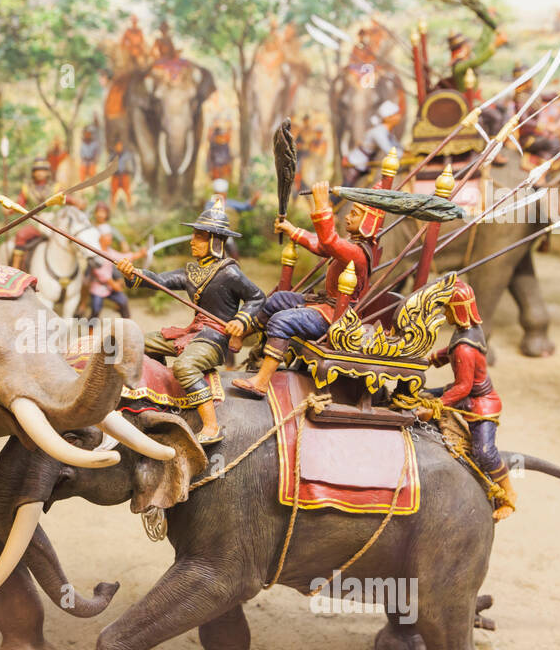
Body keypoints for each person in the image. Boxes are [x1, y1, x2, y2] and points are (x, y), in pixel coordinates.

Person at [116, 195, 263, 445]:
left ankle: (211, 425)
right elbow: (160, 280)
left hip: (214, 339)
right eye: (194, 235)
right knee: (137, 342)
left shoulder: (229, 272)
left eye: (199, 237)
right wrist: (134, 274)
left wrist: (241, 320)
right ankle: (155, 396)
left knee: (185, 367)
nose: (193, 242)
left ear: (215, 242)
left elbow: (258, 297)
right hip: (192, 332)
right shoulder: (191, 271)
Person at [230, 180, 382, 397]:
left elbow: (329, 242)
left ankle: (261, 381)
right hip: (325, 305)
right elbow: (322, 246)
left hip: (335, 317)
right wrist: (293, 230)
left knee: (282, 320)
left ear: (368, 221)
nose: (348, 216)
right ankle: (242, 334)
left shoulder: (358, 253)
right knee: (278, 299)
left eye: (355, 214)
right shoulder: (352, 245)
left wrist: (322, 206)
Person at [425, 278, 516, 521]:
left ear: (458, 309)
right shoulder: (466, 333)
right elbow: (453, 349)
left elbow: (463, 387)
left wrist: (437, 407)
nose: (445, 313)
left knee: (484, 452)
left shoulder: (466, 344)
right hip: (463, 393)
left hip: (480, 404)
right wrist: (434, 357)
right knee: (421, 396)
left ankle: (508, 493)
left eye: (447, 308)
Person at [344, 100, 402, 186]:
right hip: (357, 163)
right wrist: (403, 154)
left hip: (367, 164)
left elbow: (397, 146)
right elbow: (390, 151)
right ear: (388, 117)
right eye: (396, 114)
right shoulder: (379, 132)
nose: (399, 116)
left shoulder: (388, 132)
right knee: (346, 188)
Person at [442, 26, 506, 96]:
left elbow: (482, 44)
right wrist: (495, 45)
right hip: (468, 101)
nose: (468, 47)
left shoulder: (467, 58)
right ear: (461, 50)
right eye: (465, 45)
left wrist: (489, 27)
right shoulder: (459, 67)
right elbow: (477, 61)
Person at [86, 226, 132, 320]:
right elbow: (100, 272)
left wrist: (139, 254)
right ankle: (91, 331)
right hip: (98, 288)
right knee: (96, 310)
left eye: (110, 236)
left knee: (123, 301)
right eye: (108, 236)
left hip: (110, 287)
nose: (111, 238)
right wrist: (113, 284)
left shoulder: (110, 251)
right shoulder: (95, 253)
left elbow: (122, 257)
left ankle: (127, 324)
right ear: (101, 238)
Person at [110, 141, 136, 209]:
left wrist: (130, 172)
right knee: (113, 192)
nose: (118, 148)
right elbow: (108, 164)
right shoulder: (113, 155)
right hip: (116, 176)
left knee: (127, 192)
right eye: (117, 146)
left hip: (124, 175)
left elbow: (131, 165)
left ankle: (130, 206)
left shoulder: (127, 155)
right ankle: (113, 207)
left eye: (120, 146)